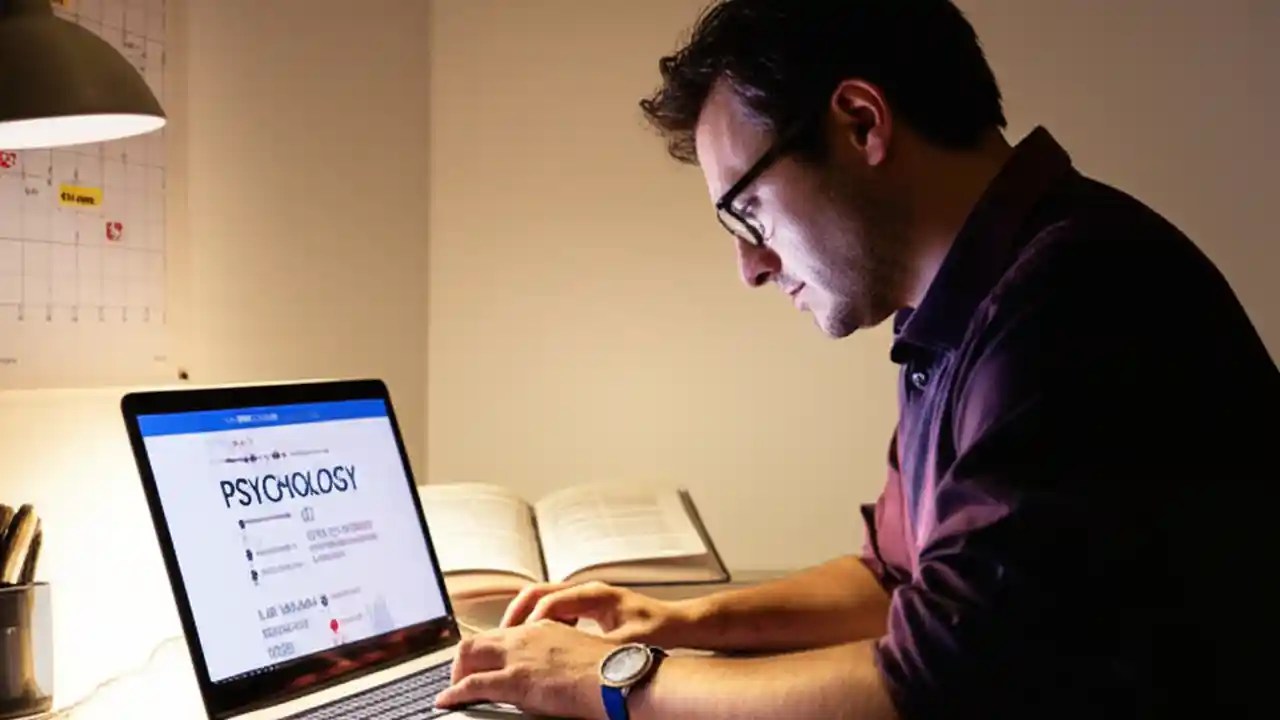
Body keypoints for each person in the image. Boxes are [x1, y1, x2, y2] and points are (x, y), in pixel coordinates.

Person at [436, 1, 1278, 718]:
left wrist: (614, 684)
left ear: (862, 123)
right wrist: (669, 622)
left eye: (748, 211)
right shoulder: (968, 309)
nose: (752, 266)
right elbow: (892, 581)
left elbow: (933, 681)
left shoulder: (1075, 301)